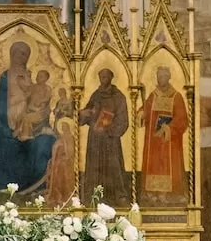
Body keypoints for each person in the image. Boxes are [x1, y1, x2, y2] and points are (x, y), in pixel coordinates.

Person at [0, 41, 56, 196]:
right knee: (7, 144)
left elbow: (40, 99)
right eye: (18, 53)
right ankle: (4, 189)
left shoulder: (30, 76)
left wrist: (41, 112)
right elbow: (1, 103)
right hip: (7, 121)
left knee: (45, 143)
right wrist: (11, 120)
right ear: (12, 54)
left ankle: (36, 187)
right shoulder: (6, 75)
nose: (21, 57)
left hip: (32, 121)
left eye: (25, 54)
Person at [78, 67, 131, 205]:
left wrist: (109, 129)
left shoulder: (118, 96)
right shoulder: (96, 95)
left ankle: (119, 196)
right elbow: (88, 112)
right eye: (101, 77)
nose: (103, 79)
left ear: (111, 78)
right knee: (94, 166)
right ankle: (94, 196)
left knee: (114, 166)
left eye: (106, 77)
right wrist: (84, 113)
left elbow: (123, 119)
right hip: (95, 139)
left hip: (110, 140)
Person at [140, 67, 188, 204]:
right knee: (154, 165)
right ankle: (152, 193)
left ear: (168, 77)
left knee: (168, 166)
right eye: (158, 76)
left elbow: (182, 119)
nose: (160, 79)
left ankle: (167, 194)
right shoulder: (153, 95)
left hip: (169, 141)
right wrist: (141, 114)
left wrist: (167, 128)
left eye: (162, 76)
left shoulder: (176, 96)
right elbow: (146, 110)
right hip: (154, 141)